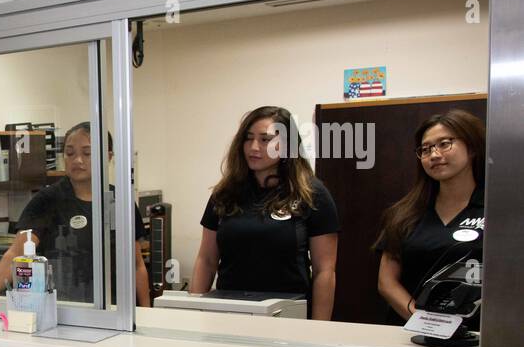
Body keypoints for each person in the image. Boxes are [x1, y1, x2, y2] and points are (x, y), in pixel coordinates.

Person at [0, 123, 150, 306]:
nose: (77, 160)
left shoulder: (119, 200)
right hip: (65, 309)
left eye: (87, 153)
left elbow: (136, 265)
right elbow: (16, 252)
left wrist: (146, 314)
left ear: (108, 157)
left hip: (116, 311)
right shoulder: (48, 199)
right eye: (70, 153)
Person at [190, 106, 339, 320]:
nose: (253, 147)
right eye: (248, 138)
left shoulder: (312, 194)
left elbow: (325, 271)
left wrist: (318, 329)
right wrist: (193, 314)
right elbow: (206, 259)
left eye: (265, 140)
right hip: (228, 313)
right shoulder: (225, 193)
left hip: (286, 314)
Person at [373, 109, 486, 326]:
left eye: (445, 144)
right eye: (425, 149)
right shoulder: (404, 213)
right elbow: (386, 282)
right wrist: (425, 321)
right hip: (410, 332)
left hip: (476, 337)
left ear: (471, 148)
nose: (434, 155)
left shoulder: (499, 212)